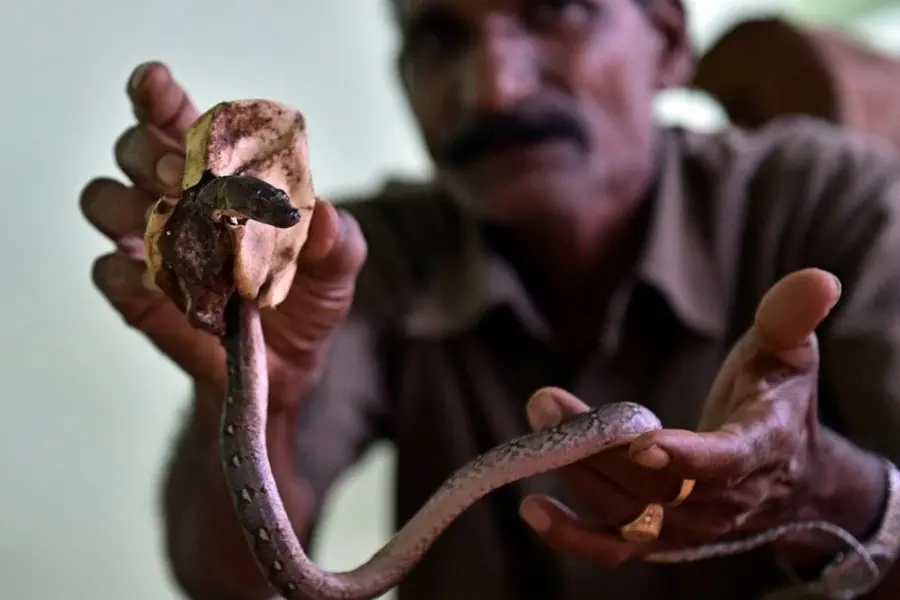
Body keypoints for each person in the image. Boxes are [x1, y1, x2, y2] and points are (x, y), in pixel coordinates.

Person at [79, 0, 900, 598]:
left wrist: (826, 492)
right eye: (439, 35)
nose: (495, 89)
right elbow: (227, 584)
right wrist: (253, 395)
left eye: (552, 11)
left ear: (670, 40)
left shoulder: (832, 202)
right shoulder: (353, 259)